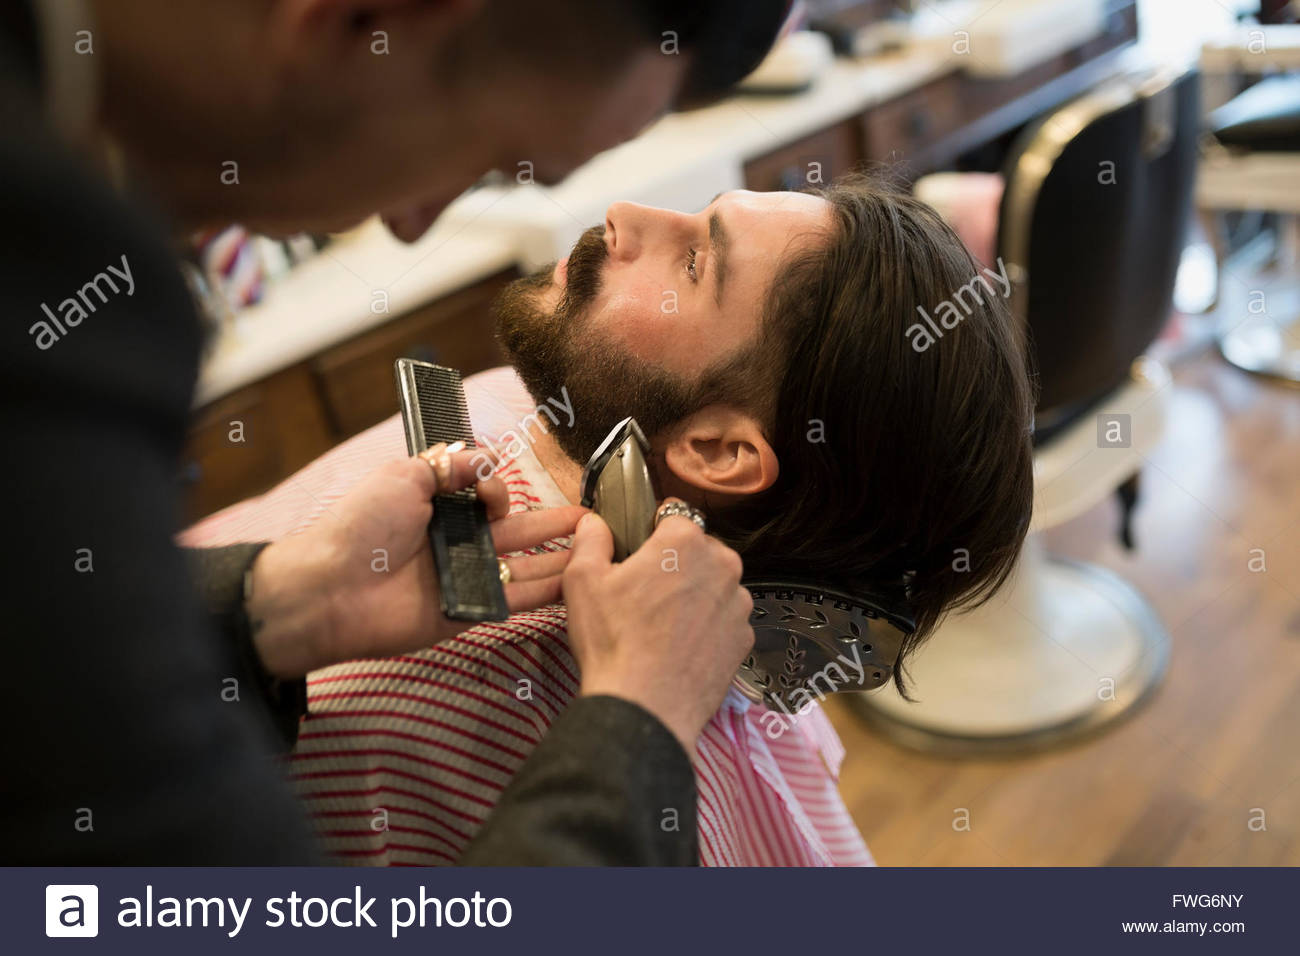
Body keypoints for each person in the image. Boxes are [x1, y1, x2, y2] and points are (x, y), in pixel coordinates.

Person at [0, 0, 794, 864]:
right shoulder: (45, 283)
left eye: (697, 261)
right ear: (363, 18)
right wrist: (639, 720)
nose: (412, 221)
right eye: (494, 163)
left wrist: (270, 602)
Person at [183, 176, 1036, 864]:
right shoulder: (524, 411)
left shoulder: (531, 406)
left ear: (716, 451)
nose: (623, 213)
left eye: (696, 262)